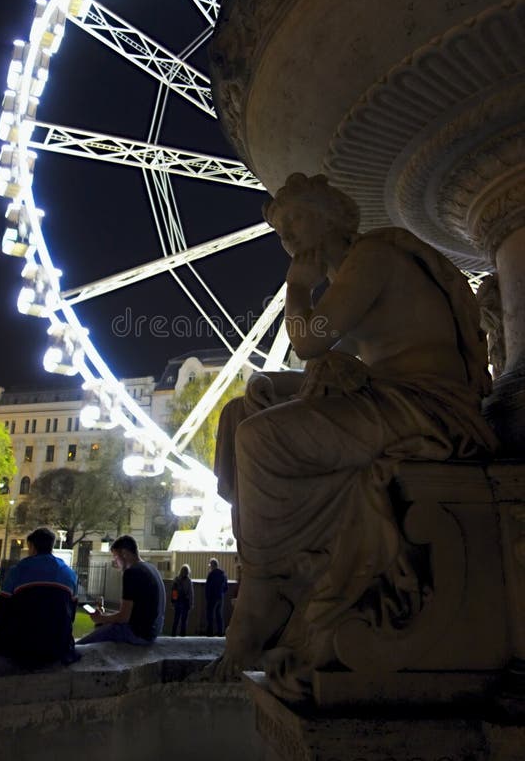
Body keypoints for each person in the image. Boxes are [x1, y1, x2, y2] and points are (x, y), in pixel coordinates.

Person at [212, 172, 497, 698]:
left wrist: (297, 288)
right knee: (245, 408)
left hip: (427, 406)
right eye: (280, 231)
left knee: (259, 439)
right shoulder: (353, 266)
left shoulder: (371, 257)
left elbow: (311, 343)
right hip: (392, 393)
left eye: (295, 220)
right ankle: (275, 560)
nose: (288, 237)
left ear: (329, 216)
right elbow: (331, 352)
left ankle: (265, 589)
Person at [0, 527, 79, 667]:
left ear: (32, 547)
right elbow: (71, 615)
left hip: (20, 644)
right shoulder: (69, 574)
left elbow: (0, 612)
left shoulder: (18, 570)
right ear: (51, 546)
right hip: (58, 645)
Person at [78, 535, 165, 646]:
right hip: (152, 632)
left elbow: (124, 617)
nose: (115, 562)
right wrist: (105, 617)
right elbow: (134, 613)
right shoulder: (151, 568)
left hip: (138, 634)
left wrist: (100, 618)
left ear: (124, 553)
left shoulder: (131, 573)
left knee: (82, 646)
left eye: (115, 557)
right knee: (101, 626)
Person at [205, 558, 228, 636]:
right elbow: (226, 587)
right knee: (219, 615)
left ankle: (210, 632)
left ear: (212, 565)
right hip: (220, 597)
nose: (210, 567)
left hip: (212, 597)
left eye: (210, 565)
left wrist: (207, 597)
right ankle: (220, 632)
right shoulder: (223, 574)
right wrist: (221, 593)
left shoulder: (211, 574)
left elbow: (208, 587)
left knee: (210, 615)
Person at [171, 564, 194, 637]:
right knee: (184, 620)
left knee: (176, 619)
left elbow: (174, 592)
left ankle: (173, 634)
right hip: (185, 602)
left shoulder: (176, 579)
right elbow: (190, 593)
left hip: (178, 602)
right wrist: (191, 603)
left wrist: (173, 602)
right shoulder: (188, 581)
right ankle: (182, 635)